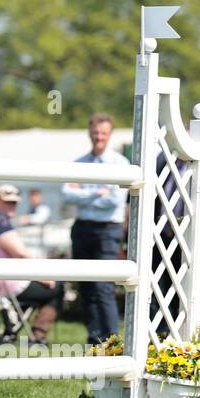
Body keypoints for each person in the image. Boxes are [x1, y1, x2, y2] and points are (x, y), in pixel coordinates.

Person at [62, 113, 129, 345]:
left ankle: (111, 339)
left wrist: (83, 195)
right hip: (82, 228)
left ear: (109, 135)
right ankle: (94, 337)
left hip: (107, 229)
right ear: (89, 133)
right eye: (95, 132)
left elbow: (114, 200)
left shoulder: (119, 164)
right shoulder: (79, 163)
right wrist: (95, 193)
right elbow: (66, 194)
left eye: (103, 133)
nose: (98, 137)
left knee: (103, 286)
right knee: (86, 285)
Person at [0, 185, 64, 345]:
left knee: (52, 287)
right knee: (57, 288)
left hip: (5, 280)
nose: (12, 205)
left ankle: (15, 330)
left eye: (14, 202)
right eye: (8, 202)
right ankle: (38, 336)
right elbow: (19, 253)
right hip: (10, 283)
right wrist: (41, 276)